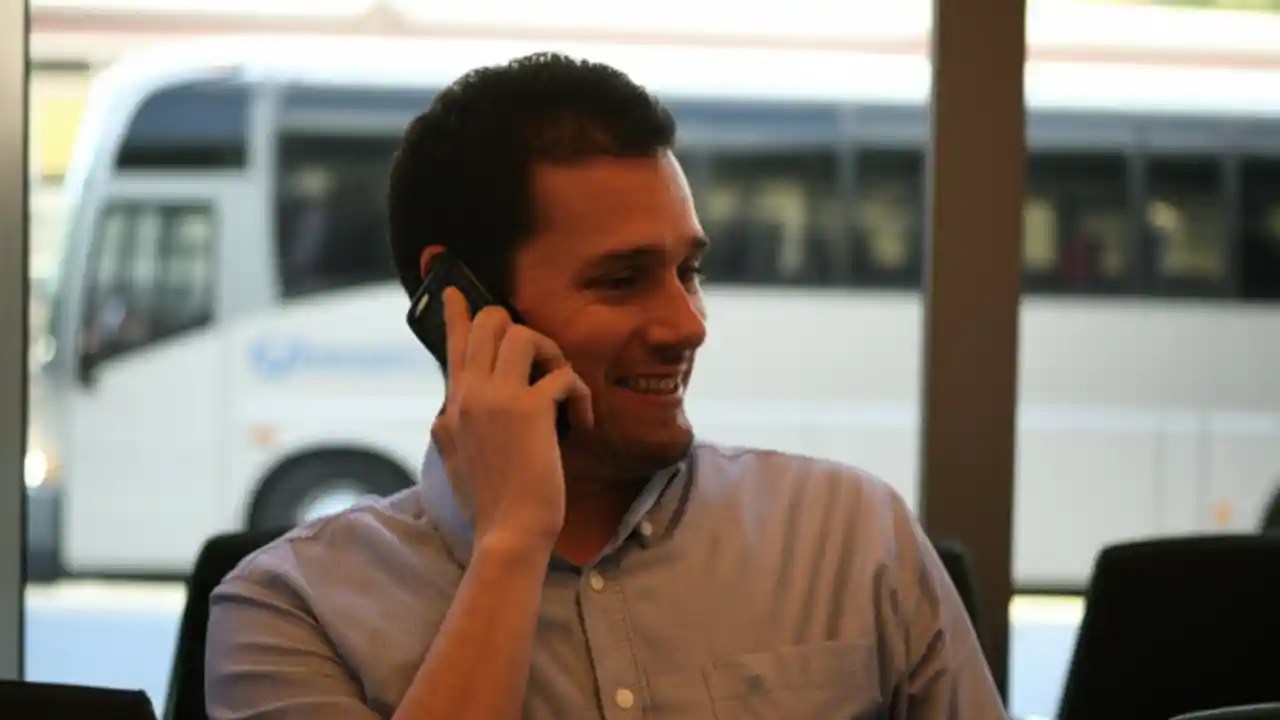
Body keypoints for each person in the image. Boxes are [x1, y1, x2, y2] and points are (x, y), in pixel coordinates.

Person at [205, 52, 1007, 720]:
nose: (687, 325)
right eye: (622, 280)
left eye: (688, 271)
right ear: (461, 305)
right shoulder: (288, 610)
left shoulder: (853, 539)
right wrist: (511, 545)